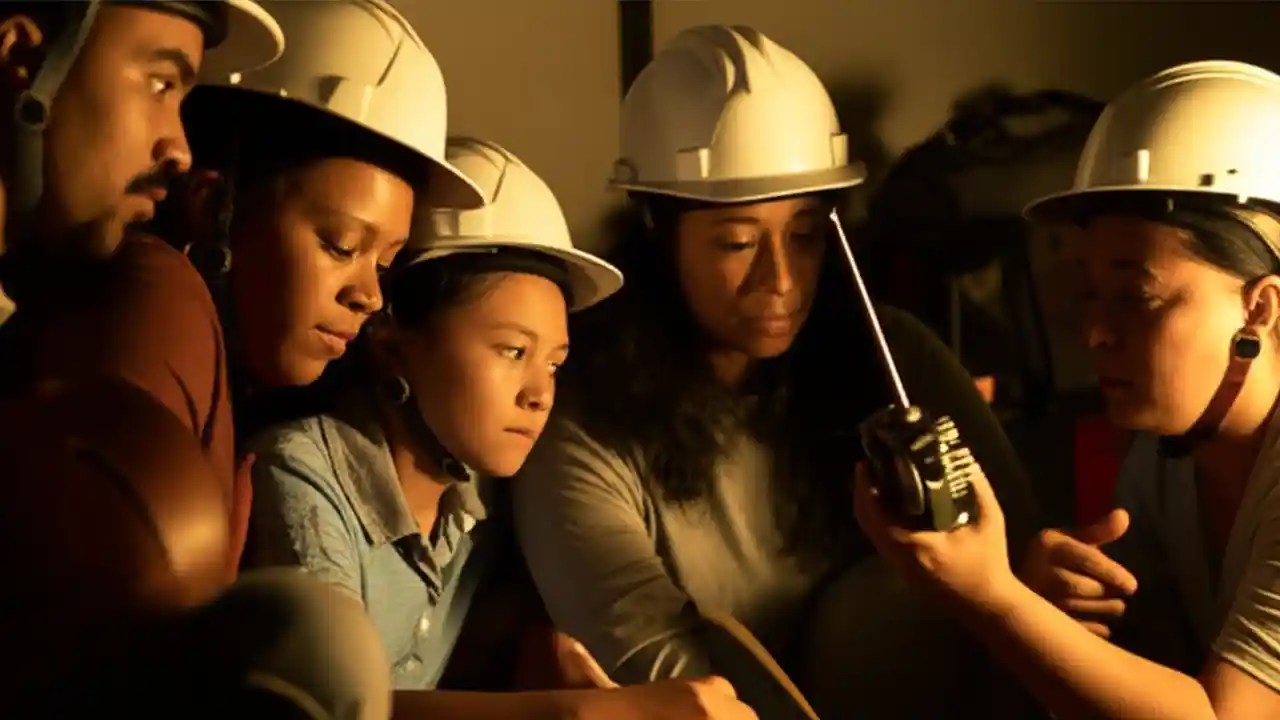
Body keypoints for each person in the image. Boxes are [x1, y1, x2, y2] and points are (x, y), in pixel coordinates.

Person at [510, 22, 1041, 712]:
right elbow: (652, 660)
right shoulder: (585, 418)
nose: (782, 280)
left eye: (807, 237)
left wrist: (1043, 578)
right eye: (737, 244)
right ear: (656, 229)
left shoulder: (894, 356)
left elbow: (1019, 561)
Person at [247, 136, 757, 719]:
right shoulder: (304, 474)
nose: (540, 394)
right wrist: (581, 715)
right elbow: (333, 705)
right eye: (513, 351)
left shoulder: (479, 508)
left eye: (554, 364)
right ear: (392, 344)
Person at [856, 60, 1280, 719]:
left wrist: (994, 597)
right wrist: (1054, 611)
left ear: (1260, 308)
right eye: (1091, 293)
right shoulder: (1163, 457)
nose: (1094, 333)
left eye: (1136, 297)